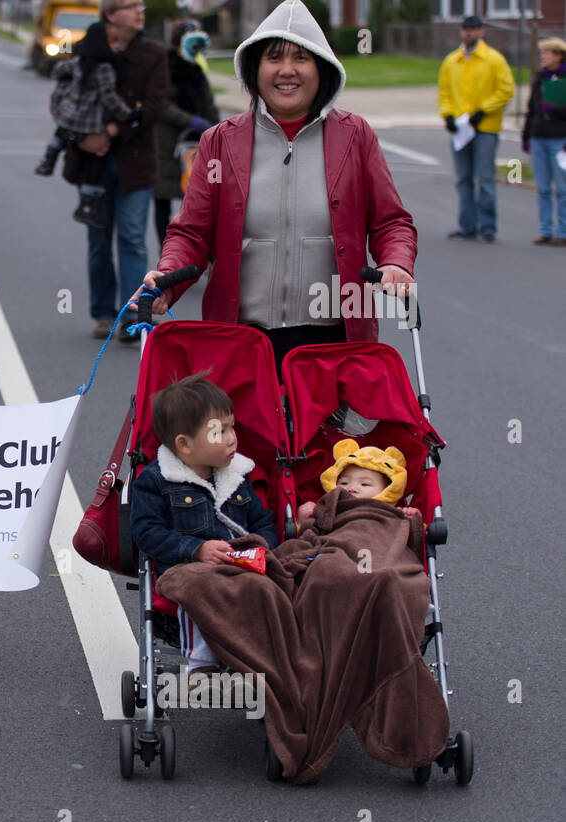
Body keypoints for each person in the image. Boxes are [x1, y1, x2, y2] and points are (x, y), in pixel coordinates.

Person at [144, 0, 417, 373]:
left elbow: (391, 223)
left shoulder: (356, 136)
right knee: (245, 434)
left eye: (301, 58)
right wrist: (168, 274)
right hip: (242, 341)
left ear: (321, 68)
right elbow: (191, 231)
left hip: (335, 342)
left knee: (334, 435)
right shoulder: (219, 142)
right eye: (274, 58)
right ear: (254, 69)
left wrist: (395, 263)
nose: (286, 70)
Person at [129, 373, 279, 679]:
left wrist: (264, 548)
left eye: (232, 426)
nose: (232, 437)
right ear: (184, 445)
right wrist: (195, 549)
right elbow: (146, 531)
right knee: (199, 588)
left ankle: (257, 665)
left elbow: (261, 519)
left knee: (266, 589)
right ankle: (203, 667)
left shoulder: (237, 473)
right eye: (219, 431)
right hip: (187, 567)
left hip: (241, 563)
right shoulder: (158, 481)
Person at [69, 0, 166, 340]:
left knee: (132, 239)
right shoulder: (85, 49)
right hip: (92, 164)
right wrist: (81, 138)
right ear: (111, 14)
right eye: (131, 5)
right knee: (98, 240)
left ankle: (132, 316)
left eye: (142, 4)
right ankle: (102, 313)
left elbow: (154, 108)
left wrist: (108, 132)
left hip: (135, 163)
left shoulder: (154, 54)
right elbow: (65, 99)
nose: (141, 10)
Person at [34, 19, 139, 229]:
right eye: (114, 44)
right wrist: (129, 115)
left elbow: (58, 71)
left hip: (70, 116)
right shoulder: (105, 69)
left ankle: (48, 158)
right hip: (90, 123)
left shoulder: (79, 62)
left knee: (61, 133)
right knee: (95, 164)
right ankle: (87, 206)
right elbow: (110, 99)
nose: (117, 48)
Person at [438, 15, 514, 243]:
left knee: (485, 178)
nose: (468, 33)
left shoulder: (494, 59)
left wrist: (484, 110)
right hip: (461, 131)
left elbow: (505, 91)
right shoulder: (452, 61)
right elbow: (445, 93)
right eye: (465, 29)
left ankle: (488, 226)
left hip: (485, 127)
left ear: (482, 31)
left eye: (473, 29)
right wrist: (448, 115)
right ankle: (467, 225)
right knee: (463, 178)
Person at [153, 21, 218, 248]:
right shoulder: (165, 68)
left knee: (198, 203)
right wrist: (190, 120)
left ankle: (199, 254)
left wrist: (216, 130)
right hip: (166, 146)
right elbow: (162, 105)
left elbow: (208, 102)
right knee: (163, 201)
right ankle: (167, 257)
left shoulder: (197, 68)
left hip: (195, 146)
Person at [296, 440, 421, 529]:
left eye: (365, 484)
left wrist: (412, 522)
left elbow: (406, 544)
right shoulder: (326, 509)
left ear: (387, 490)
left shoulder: (393, 514)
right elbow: (307, 541)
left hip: (377, 557)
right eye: (344, 483)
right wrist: (302, 522)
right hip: (335, 554)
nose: (351, 488)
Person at [523, 37, 566, 246]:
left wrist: (555, 109)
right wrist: (526, 135)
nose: (542, 57)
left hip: (560, 140)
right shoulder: (539, 79)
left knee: (562, 188)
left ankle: (563, 231)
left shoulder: (564, 78)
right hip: (539, 137)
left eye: (546, 53)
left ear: (558, 55)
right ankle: (545, 229)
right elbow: (531, 110)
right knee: (543, 188)